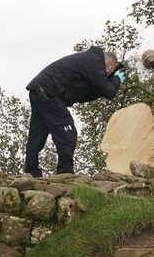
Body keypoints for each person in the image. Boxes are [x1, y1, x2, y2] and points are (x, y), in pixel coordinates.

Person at [24, 46, 123, 177]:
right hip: (49, 92)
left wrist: (111, 82)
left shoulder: (87, 61)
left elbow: (94, 91)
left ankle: (31, 172)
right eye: (109, 73)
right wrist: (117, 79)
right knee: (68, 132)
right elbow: (109, 91)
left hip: (39, 90)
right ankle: (65, 174)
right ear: (110, 68)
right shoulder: (93, 61)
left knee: (38, 134)